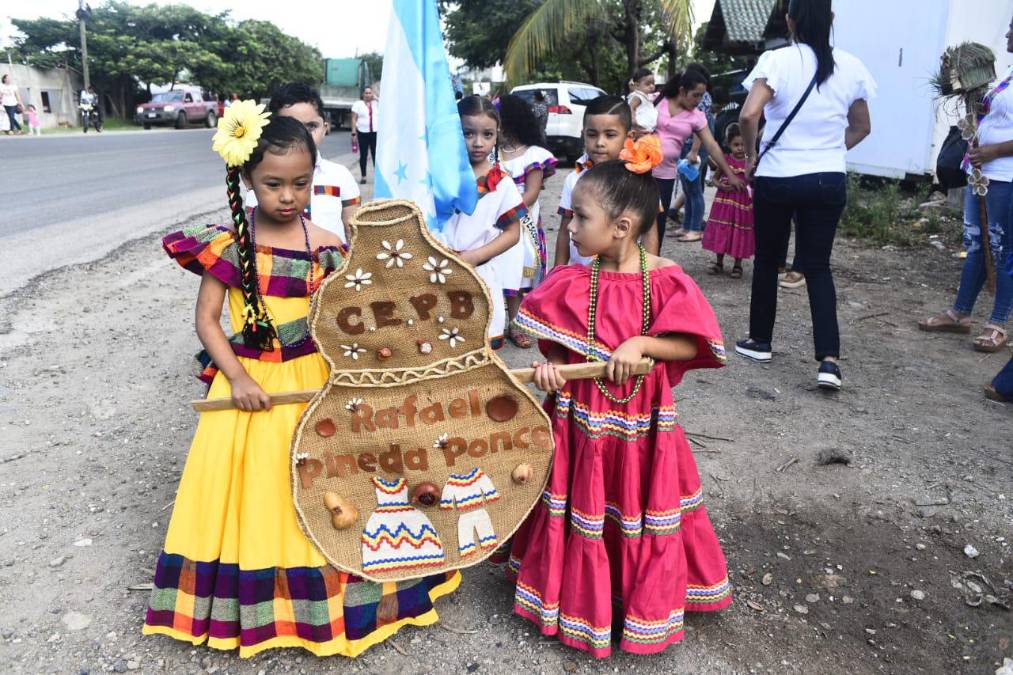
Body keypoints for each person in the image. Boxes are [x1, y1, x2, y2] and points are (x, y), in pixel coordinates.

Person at [143, 108, 459, 657]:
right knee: (262, 494)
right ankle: (256, 611)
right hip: (251, 390)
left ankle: (340, 601)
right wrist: (237, 376)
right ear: (247, 179)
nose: (287, 196)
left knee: (330, 484)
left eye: (299, 183)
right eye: (272, 184)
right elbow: (207, 322)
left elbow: (345, 318)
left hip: (316, 382)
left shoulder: (329, 241)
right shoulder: (229, 245)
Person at [507, 135, 731, 658]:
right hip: (581, 421)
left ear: (622, 227)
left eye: (580, 218)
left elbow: (690, 343)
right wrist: (551, 372)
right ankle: (576, 599)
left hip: (642, 426)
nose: (570, 226)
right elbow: (561, 356)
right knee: (583, 501)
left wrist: (642, 342)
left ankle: (637, 601)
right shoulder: (569, 282)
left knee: (635, 505)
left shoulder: (667, 281)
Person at [735, 0, 875, 391]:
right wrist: (828, 152)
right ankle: (828, 361)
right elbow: (862, 127)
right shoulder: (850, 65)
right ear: (831, 19)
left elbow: (749, 115)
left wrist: (750, 157)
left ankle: (760, 341)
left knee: (768, 260)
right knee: (817, 267)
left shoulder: (776, 60)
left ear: (789, 20)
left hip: (778, 176)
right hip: (827, 180)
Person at [919, 14, 1013, 354]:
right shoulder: (1007, 77)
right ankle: (960, 313)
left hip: (1005, 176)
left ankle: (998, 322)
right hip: (981, 173)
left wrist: (993, 151)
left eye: (1012, 26)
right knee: (976, 243)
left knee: (1002, 249)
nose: (1007, 31)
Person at [441, 95, 526, 349]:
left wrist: (476, 256)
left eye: (487, 135)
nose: (478, 143)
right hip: (438, 272)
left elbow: (513, 233)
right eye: (468, 134)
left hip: (480, 275)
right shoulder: (437, 175)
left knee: (480, 348)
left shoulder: (501, 182)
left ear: (497, 134)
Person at [246, 82, 361, 244]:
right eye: (292, 127)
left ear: (325, 128)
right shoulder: (262, 180)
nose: (302, 135)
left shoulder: (340, 175)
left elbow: (353, 230)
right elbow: (253, 230)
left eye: (311, 126)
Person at [645, 69, 744, 255]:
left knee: (656, 225)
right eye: (695, 95)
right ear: (682, 91)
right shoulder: (658, 100)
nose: (699, 100)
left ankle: (649, 271)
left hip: (664, 177)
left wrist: (730, 174)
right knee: (631, 221)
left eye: (702, 95)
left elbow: (713, 146)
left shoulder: (696, 116)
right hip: (639, 171)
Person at [498, 94, 558, 349]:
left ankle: (517, 324)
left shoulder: (533, 155)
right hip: (493, 225)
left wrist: (505, 209)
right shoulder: (493, 154)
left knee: (520, 278)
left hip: (522, 225)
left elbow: (531, 193)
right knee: (497, 273)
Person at [554, 95, 632, 267]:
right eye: (592, 134)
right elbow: (564, 230)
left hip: (623, 275)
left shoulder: (637, 179)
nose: (599, 143)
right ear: (583, 135)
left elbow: (649, 233)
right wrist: (557, 273)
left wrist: (648, 277)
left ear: (628, 137)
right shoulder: (574, 179)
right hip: (581, 272)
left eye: (610, 135)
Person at [702, 124, 755, 278]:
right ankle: (719, 262)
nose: (740, 148)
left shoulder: (750, 162)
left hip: (742, 204)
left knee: (739, 231)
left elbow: (754, 182)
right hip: (724, 203)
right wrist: (722, 187)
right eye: (736, 145)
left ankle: (738, 265)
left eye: (743, 144)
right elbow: (714, 179)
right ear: (729, 144)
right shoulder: (725, 160)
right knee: (723, 229)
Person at [673, 64, 717, 243]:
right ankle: (687, 225)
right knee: (688, 189)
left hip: (695, 148)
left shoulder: (702, 96)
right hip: (687, 147)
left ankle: (695, 228)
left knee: (695, 189)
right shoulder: (689, 94)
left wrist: (694, 151)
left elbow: (700, 126)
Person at [350, 86, 379, 184]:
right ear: (363, 94)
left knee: (376, 155)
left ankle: (378, 177)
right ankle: (363, 176)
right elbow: (354, 118)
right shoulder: (358, 104)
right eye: (366, 93)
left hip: (375, 133)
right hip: (362, 132)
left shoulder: (376, 104)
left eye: (370, 93)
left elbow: (387, 107)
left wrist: (376, 98)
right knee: (363, 155)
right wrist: (353, 133)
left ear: (372, 94)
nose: (368, 95)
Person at [626, 68, 658, 138]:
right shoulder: (638, 96)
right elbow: (631, 107)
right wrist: (633, 120)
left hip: (647, 130)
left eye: (653, 83)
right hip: (639, 127)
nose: (651, 86)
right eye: (648, 84)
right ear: (637, 85)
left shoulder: (645, 96)